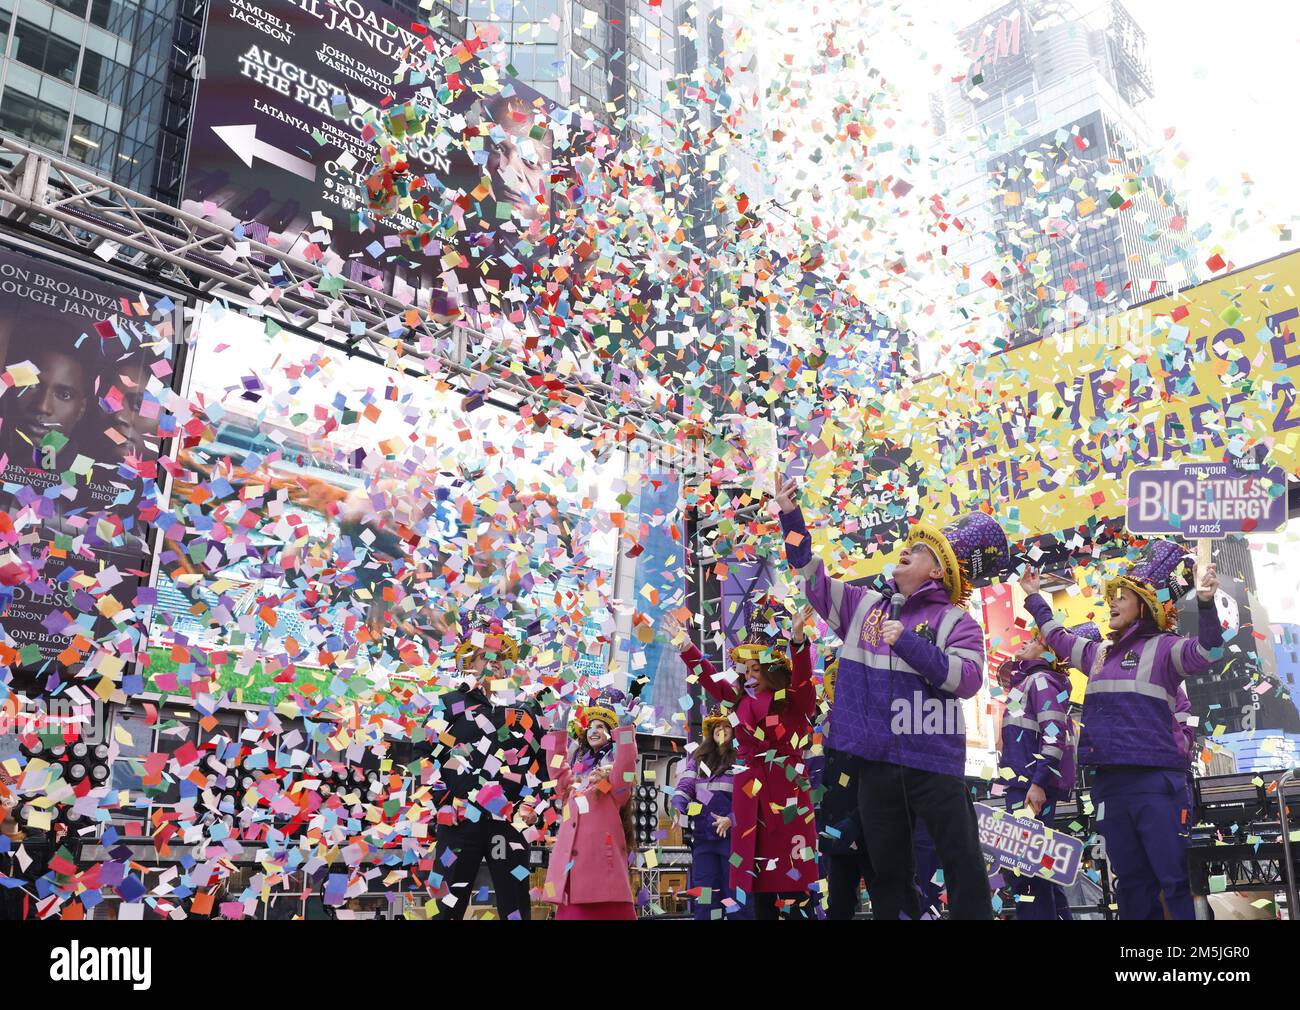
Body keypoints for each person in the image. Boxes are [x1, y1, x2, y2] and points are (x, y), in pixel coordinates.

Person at [774, 472, 1004, 920]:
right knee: (887, 874)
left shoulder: (958, 622)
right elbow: (810, 577)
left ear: (937, 570)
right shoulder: (864, 607)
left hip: (934, 762)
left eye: (919, 550)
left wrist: (910, 643)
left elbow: (969, 680)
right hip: (875, 763)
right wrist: (790, 516)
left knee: (962, 865)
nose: (905, 550)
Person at [1019, 542, 1221, 920]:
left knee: (1173, 879)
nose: (1112, 603)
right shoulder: (1098, 654)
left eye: (1121, 597)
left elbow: (1209, 652)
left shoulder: (1165, 649)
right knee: (1129, 883)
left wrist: (1207, 603)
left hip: (1156, 783)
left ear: (1143, 606)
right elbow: (1059, 638)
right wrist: (1034, 597)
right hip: (1110, 785)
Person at [665, 598, 819, 920]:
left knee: (792, 885)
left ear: (771, 671)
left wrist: (798, 640)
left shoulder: (794, 700)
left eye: (756, 668)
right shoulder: (737, 699)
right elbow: (708, 678)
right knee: (756, 883)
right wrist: (686, 646)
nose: (748, 675)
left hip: (786, 790)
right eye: (744, 669)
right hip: (750, 795)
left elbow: (804, 679)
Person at [427, 611, 547, 921]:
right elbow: (425, 755)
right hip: (460, 820)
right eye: (484, 655)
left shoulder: (525, 710)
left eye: (500, 655)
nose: (493, 660)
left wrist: (534, 805)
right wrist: (449, 796)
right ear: (469, 663)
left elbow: (542, 768)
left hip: (507, 822)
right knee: (447, 906)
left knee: (515, 905)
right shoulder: (450, 702)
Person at [994, 623, 1085, 920]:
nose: (1025, 642)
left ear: (1049, 654)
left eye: (1034, 640)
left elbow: (1054, 736)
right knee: (1037, 871)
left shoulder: (1042, 680)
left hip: (1031, 788)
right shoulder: (1030, 681)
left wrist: (1039, 783)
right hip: (1024, 785)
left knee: (1027, 874)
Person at [540, 688, 639, 920]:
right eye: (591, 726)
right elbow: (557, 770)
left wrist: (626, 731)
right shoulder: (572, 785)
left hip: (604, 883)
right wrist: (557, 733)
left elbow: (625, 766)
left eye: (602, 727)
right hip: (572, 883)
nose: (595, 731)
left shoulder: (614, 788)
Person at [812, 659, 875, 920]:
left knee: (889, 903)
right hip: (836, 831)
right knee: (838, 907)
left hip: (872, 829)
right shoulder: (823, 726)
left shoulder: (875, 721)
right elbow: (822, 779)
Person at [671, 707, 739, 920]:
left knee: (736, 901)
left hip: (734, 842)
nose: (721, 730)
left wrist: (732, 819)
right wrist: (678, 804)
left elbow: (752, 801)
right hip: (703, 840)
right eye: (716, 726)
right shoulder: (699, 758)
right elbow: (686, 784)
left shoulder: (743, 759)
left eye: (726, 725)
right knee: (706, 901)